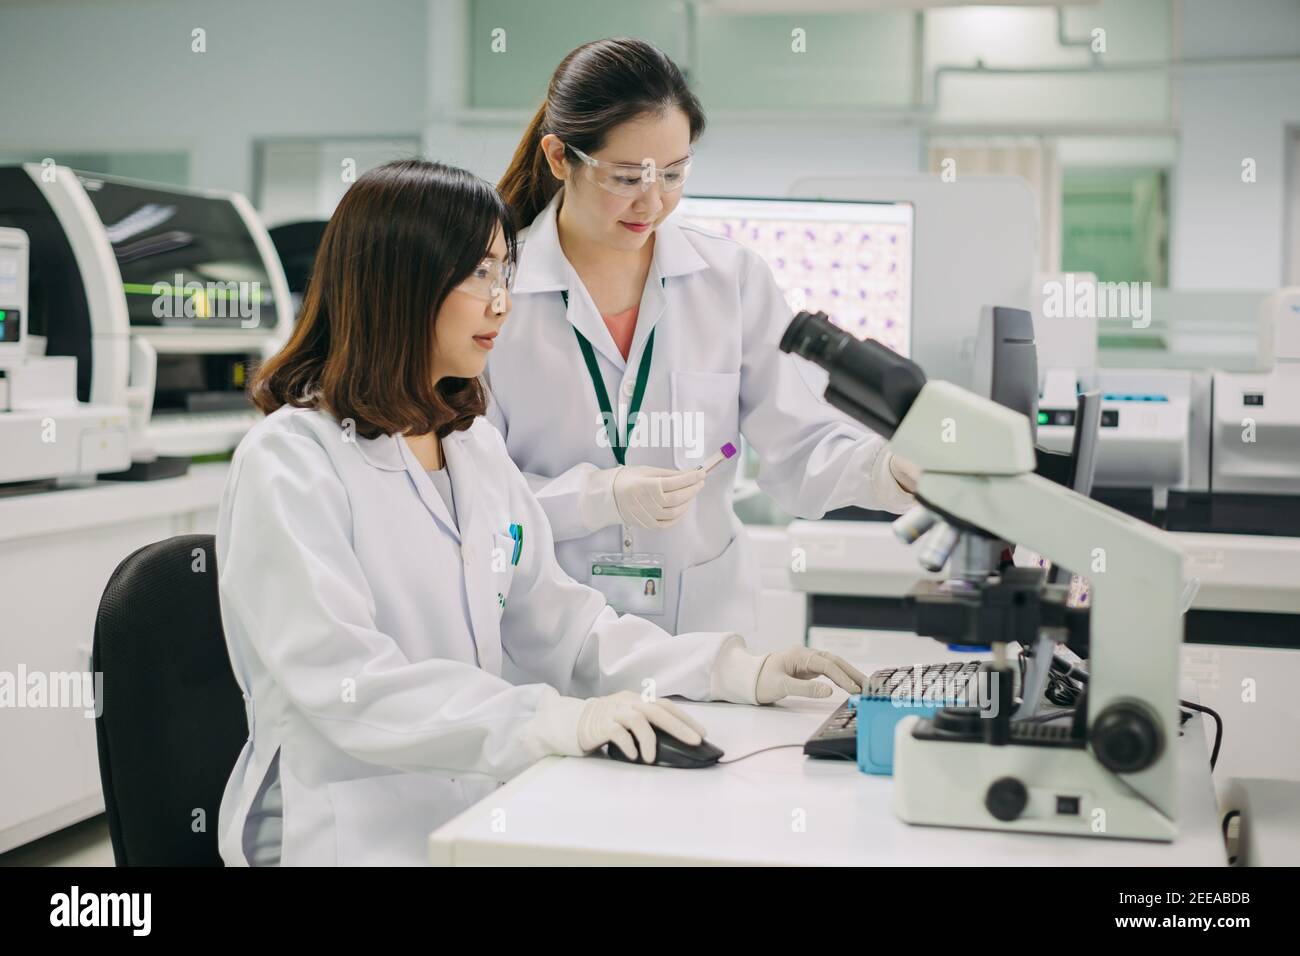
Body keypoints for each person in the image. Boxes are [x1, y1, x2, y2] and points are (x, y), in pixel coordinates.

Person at [215, 159, 867, 866]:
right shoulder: (290, 461)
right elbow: (349, 685)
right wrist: (554, 718)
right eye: (478, 277)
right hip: (343, 832)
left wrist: (738, 669)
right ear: (396, 287)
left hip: (478, 806)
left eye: (505, 273)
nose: (503, 303)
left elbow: (568, 630)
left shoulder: (469, 448)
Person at [488, 37, 920, 639]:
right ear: (560, 157)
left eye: (672, 172)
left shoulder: (730, 281)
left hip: (701, 639)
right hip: (545, 642)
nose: (653, 200)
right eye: (626, 176)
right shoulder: (496, 295)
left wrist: (890, 469)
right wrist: (593, 496)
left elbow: (801, 446)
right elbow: (473, 492)